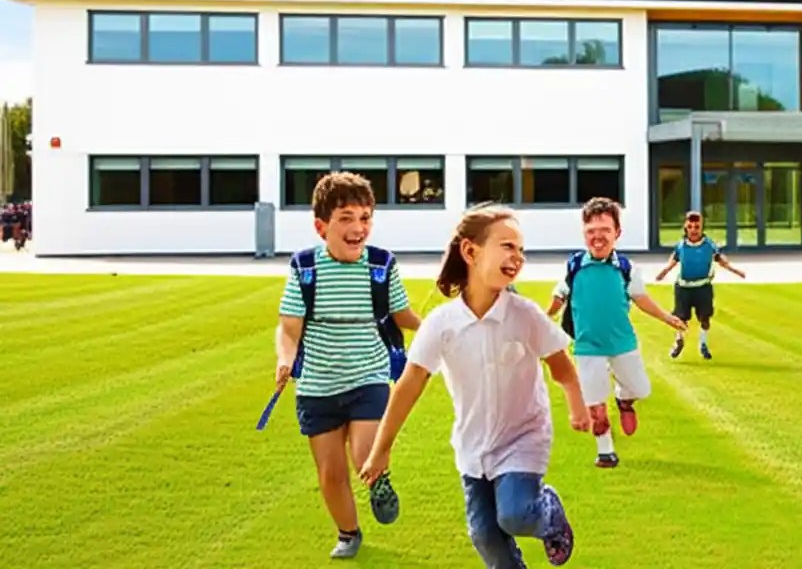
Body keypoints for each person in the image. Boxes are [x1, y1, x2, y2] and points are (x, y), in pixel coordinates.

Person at [359, 203, 590, 568]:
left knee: (514, 514)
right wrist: (380, 450)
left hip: (523, 437)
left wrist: (577, 406)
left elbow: (561, 364)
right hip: (473, 445)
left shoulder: (525, 314)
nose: (518, 256)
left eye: (521, 249)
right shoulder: (442, 324)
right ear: (470, 251)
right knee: (485, 537)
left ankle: (548, 511)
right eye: (508, 246)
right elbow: (408, 387)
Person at [274, 172, 421, 559]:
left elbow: (403, 315)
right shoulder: (305, 268)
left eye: (366, 217)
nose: (359, 228)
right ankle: (348, 532)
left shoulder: (382, 265)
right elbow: (289, 329)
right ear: (322, 226)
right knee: (330, 473)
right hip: (317, 387)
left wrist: (439, 332)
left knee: (364, 455)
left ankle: (379, 478)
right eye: (347, 218)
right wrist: (284, 360)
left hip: (368, 376)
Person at [546, 197, 687, 469]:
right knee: (595, 405)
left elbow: (641, 299)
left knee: (641, 390)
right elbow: (558, 298)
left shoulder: (626, 269)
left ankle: (624, 399)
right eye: (591, 231)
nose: (597, 237)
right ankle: (605, 451)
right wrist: (540, 320)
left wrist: (668, 318)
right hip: (587, 348)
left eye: (605, 231)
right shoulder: (574, 267)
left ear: (617, 233)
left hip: (623, 344)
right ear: (584, 233)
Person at [653, 210, 746, 361]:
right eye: (690, 227)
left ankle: (703, 344)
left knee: (705, 317)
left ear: (701, 228)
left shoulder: (709, 245)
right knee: (681, 318)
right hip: (684, 287)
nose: (693, 230)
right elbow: (674, 260)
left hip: (703, 287)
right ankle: (679, 341)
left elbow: (720, 259)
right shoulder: (682, 246)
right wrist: (663, 272)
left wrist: (735, 270)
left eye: (697, 227)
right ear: (685, 227)